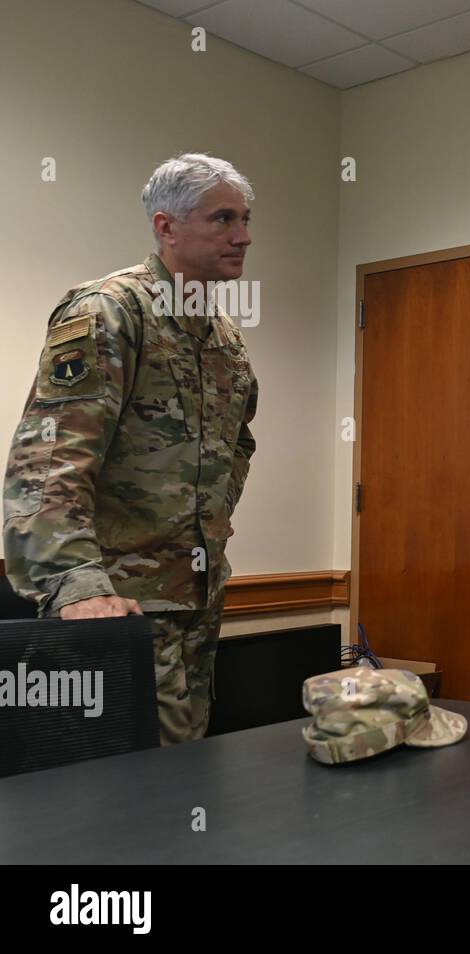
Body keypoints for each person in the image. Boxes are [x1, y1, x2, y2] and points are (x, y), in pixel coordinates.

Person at [3, 152, 259, 745]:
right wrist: (77, 586)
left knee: (184, 770)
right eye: (223, 219)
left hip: (194, 599)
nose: (243, 237)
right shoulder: (109, 311)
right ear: (166, 227)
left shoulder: (223, 337)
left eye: (246, 220)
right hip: (118, 607)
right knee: (127, 791)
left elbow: (236, 444)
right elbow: (47, 461)